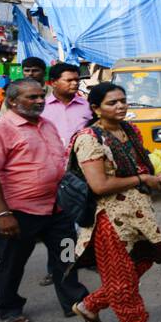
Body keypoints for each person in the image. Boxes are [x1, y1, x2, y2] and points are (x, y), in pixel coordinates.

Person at [68, 82, 161, 322]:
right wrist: (142, 178)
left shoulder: (129, 129)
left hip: (139, 213)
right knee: (121, 279)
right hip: (110, 218)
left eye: (123, 101)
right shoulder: (89, 139)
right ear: (95, 108)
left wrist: (156, 174)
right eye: (112, 103)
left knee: (143, 262)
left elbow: (144, 160)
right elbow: (99, 185)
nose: (121, 106)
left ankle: (89, 305)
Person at [0, 78, 86, 322]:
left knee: (67, 254)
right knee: (13, 263)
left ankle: (74, 300)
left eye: (40, 96)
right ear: (12, 101)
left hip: (57, 208)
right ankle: (9, 308)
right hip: (19, 211)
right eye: (31, 97)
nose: (39, 101)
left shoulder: (46, 124)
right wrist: (3, 213)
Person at [37, 62, 93, 286]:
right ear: (52, 83)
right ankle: (59, 267)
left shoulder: (86, 107)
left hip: (82, 171)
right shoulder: (41, 108)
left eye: (76, 80)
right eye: (68, 80)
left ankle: (84, 258)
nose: (74, 83)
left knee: (85, 217)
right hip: (53, 175)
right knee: (61, 225)